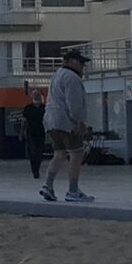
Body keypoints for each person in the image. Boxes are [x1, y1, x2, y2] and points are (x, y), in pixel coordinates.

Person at [40, 49, 94, 203]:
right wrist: (79, 122)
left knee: (60, 153)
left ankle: (48, 185)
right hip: (66, 122)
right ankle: (73, 190)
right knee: (77, 153)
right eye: (81, 62)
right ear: (71, 62)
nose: (82, 66)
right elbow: (74, 104)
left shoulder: (56, 75)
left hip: (51, 120)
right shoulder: (71, 77)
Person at [21, 88, 49, 182]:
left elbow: (48, 120)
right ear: (32, 96)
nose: (36, 96)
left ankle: (37, 167)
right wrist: (22, 132)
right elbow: (24, 121)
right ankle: (35, 171)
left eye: (37, 94)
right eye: (34, 94)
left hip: (41, 132)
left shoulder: (44, 108)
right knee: (33, 152)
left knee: (40, 152)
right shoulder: (28, 108)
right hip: (31, 132)